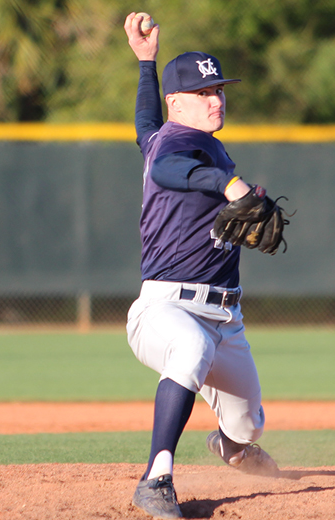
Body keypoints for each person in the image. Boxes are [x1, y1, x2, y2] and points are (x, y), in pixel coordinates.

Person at [123, 11, 287, 520]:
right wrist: (225, 185)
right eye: (203, 92)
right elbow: (170, 169)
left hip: (226, 319)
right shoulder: (175, 148)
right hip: (165, 310)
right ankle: (156, 479)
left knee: (250, 424)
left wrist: (146, 63)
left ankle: (232, 447)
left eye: (218, 89)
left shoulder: (167, 135)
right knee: (189, 347)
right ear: (180, 103)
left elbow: (145, 123)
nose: (215, 98)